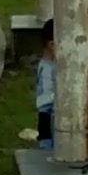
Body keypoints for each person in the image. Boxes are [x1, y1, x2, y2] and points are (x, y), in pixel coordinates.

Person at [34, 19, 56, 149]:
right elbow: (44, 101)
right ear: (52, 44)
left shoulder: (53, 65)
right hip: (48, 120)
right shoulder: (46, 70)